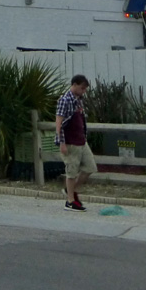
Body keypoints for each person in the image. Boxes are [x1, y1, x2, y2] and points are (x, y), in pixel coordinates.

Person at [55, 74, 96, 212]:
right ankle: (70, 201)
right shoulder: (65, 100)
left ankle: (70, 190)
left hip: (81, 141)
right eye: (82, 88)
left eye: (85, 89)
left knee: (90, 167)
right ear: (74, 85)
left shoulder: (79, 100)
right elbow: (59, 122)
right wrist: (62, 143)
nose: (83, 91)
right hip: (70, 142)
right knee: (71, 172)